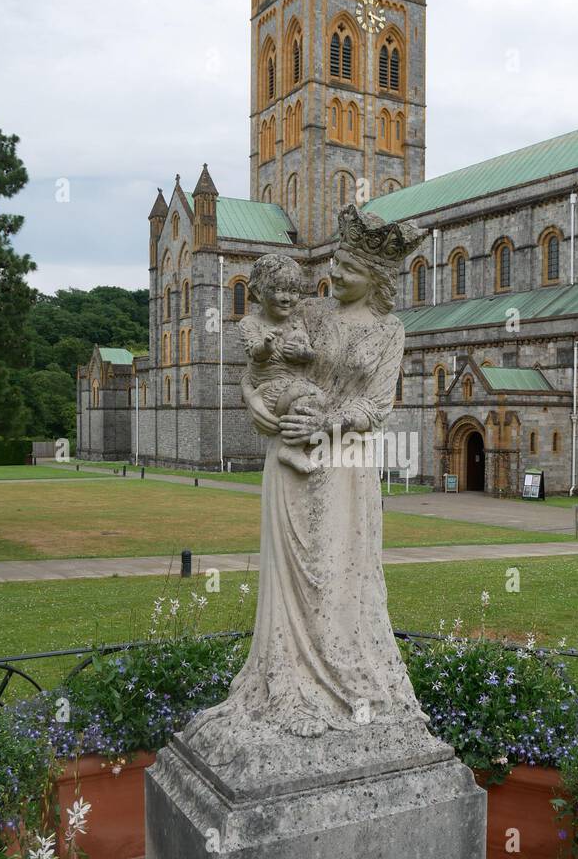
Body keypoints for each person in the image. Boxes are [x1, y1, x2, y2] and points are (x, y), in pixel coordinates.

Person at [185, 203, 432, 754]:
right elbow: (259, 368)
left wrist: (329, 419)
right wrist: (254, 403)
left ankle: (348, 680)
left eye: (347, 268)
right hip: (291, 461)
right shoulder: (311, 313)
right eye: (336, 263)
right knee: (295, 573)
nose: (334, 275)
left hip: (346, 466)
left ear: (377, 280)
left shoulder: (390, 332)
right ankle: (288, 684)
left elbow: (377, 405)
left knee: (343, 572)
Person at [237, 252, 326, 474]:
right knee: (311, 394)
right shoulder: (250, 323)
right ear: (258, 292)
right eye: (278, 290)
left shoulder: (297, 323)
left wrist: (302, 353)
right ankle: (291, 449)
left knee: (311, 399)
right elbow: (254, 353)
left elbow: (310, 355)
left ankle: (297, 445)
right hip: (270, 391)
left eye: (294, 291)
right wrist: (266, 347)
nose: (287, 298)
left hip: (293, 388)